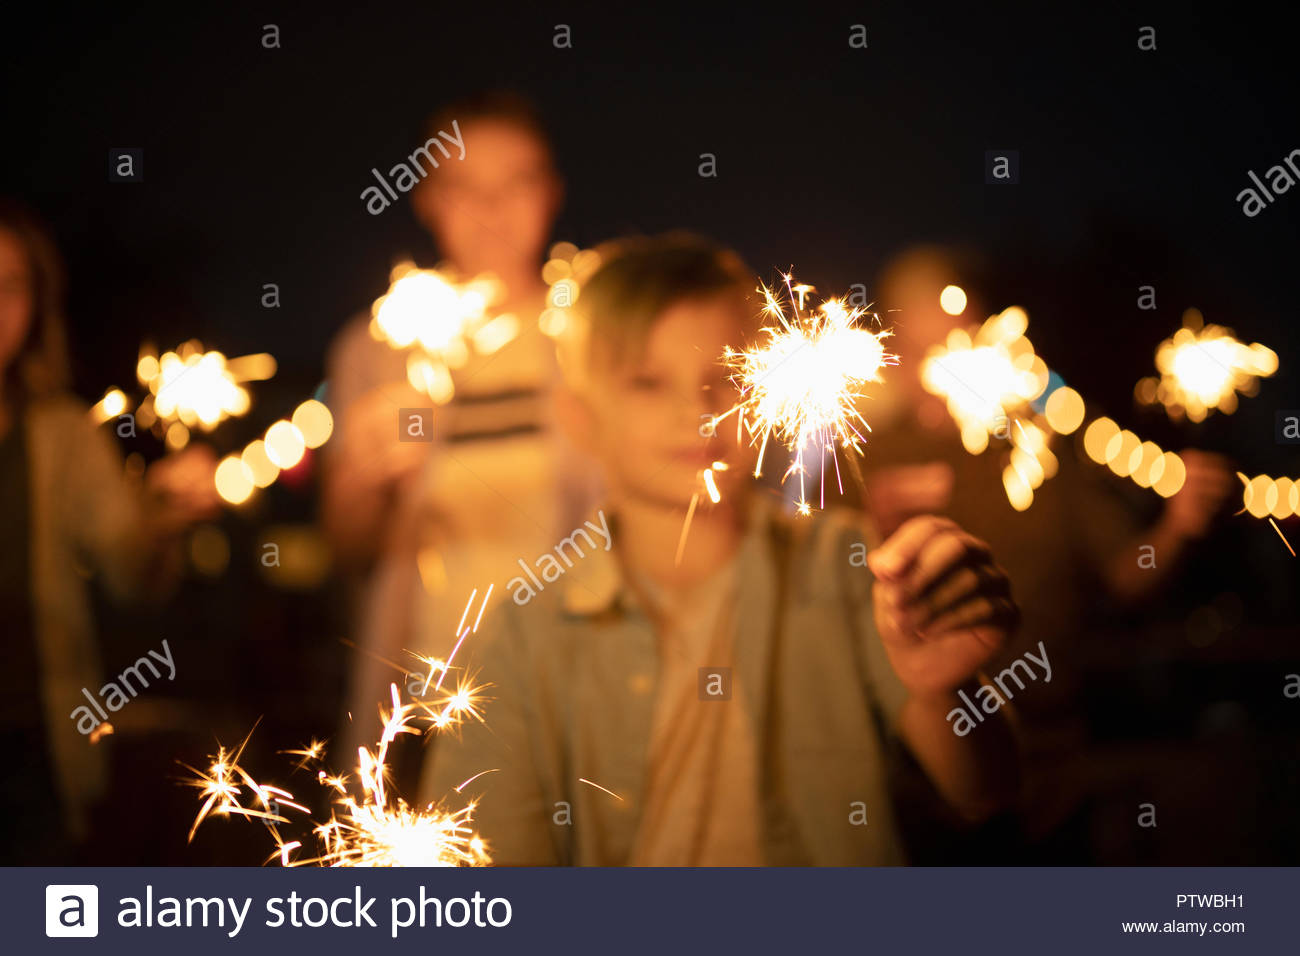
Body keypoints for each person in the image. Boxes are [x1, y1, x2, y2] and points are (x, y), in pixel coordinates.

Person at [424, 234, 1020, 865]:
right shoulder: (525, 633)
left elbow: (989, 788)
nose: (697, 411)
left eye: (724, 377)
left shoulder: (846, 566)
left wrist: (945, 690)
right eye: (648, 383)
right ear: (578, 416)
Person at [860, 246, 1236, 858]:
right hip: (918, 783)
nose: (945, 358)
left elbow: (1124, 577)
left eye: (958, 333)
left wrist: (1178, 526)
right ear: (894, 350)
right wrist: (865, 531)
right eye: (923, 342)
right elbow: (817, 599)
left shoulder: (1043, 448)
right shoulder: (863, 463)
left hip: (1056, 773)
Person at [322, 92, 595, 770]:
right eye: (465, 187)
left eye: (515, 183)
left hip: (572, 687)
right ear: (427, 199)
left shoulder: (590, 339)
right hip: (424, 698)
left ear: (551, 193)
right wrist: (368, 480)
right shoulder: (380, 347)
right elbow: (346, 546)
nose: (492, 208)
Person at [0, 200, 217, 863]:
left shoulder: (63, 434)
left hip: (33, 762)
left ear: (38, 304)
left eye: (10, 285)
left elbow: (131, 577)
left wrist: (161, 521)